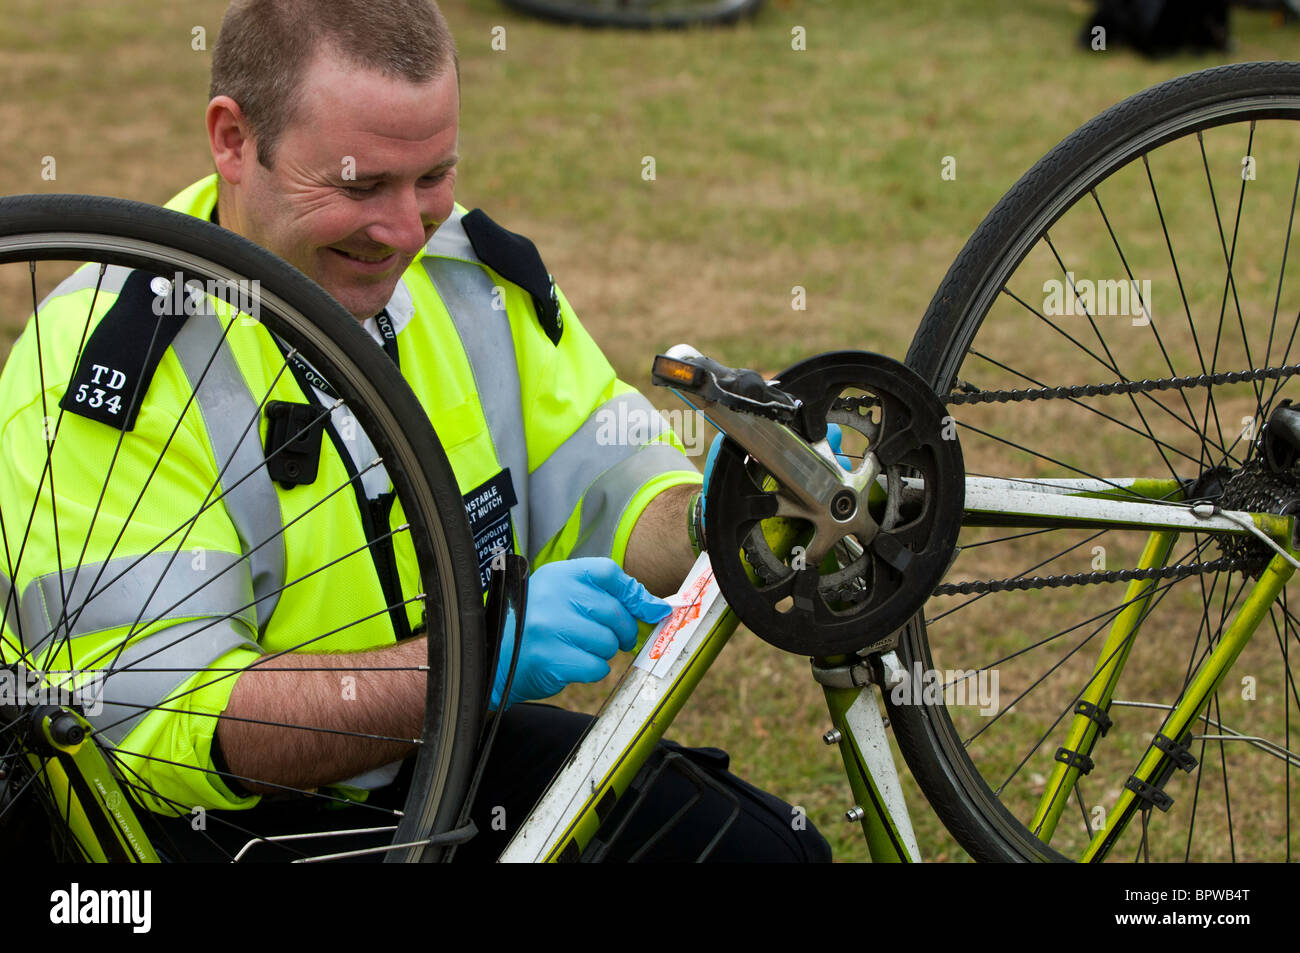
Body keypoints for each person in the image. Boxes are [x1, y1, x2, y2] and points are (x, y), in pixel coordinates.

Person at [0, 0, 829, 862]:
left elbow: (617, 492)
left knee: (771, 855)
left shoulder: (475, 278)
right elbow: (160, 729)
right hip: (207, 824)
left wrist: (723, 509)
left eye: (433, 176)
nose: (405, 232)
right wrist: (470, 661)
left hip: (442, 756)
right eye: (359, 185)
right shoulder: (106, 364)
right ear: (234, 141)